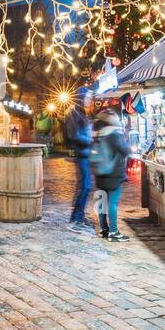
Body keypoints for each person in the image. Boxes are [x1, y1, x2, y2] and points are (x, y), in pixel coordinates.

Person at [92, 106, 132, 241]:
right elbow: (126, 150)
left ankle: (104, 229)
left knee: (102, 202)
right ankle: (114, 232)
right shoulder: (114, 134)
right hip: (113, 174)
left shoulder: (97, 134)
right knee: (113, 202)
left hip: (100, 173)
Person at [64, 88, 94, 232]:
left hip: (86, 154)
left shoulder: (82, 113)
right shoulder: (73, 114)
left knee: (86, 187)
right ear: (81, 98)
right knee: (84, 187)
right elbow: (73, 135)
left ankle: (80, 216)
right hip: (82, 154)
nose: (89, 100)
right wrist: (90, 138)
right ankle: (75, 219)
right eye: (87, 97)